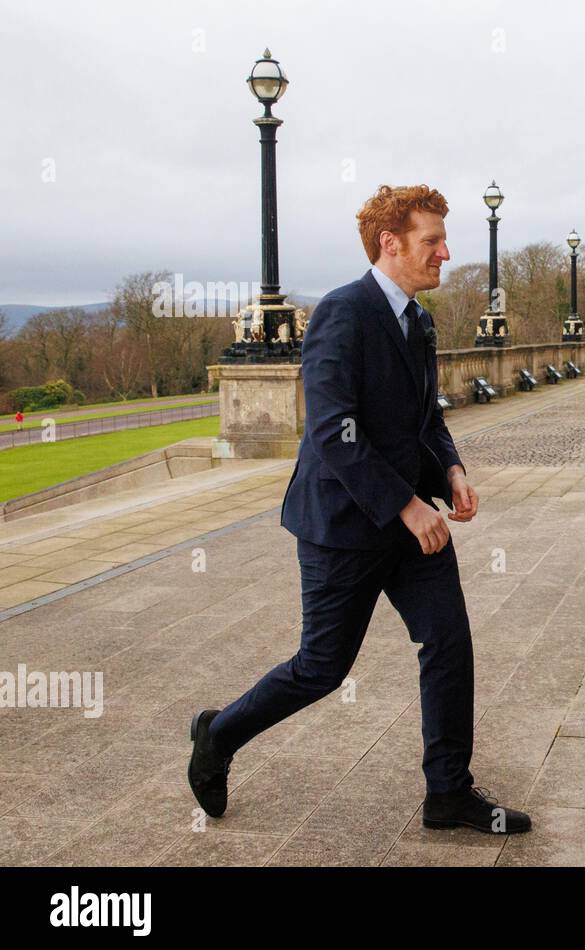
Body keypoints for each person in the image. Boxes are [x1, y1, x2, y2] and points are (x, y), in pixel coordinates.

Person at [188, 184, 530, 834]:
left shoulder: (419, 321)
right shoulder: (343, 315)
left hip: (410, 525)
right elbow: (333, 430)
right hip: (343, 525)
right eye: (433, 242)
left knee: (449, 643)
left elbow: (425, 417)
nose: (446, 253)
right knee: (321, 667)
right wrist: (405, 504)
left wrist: (450, 469)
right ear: (390, 243)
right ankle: (218, 734)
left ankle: (448, 794)